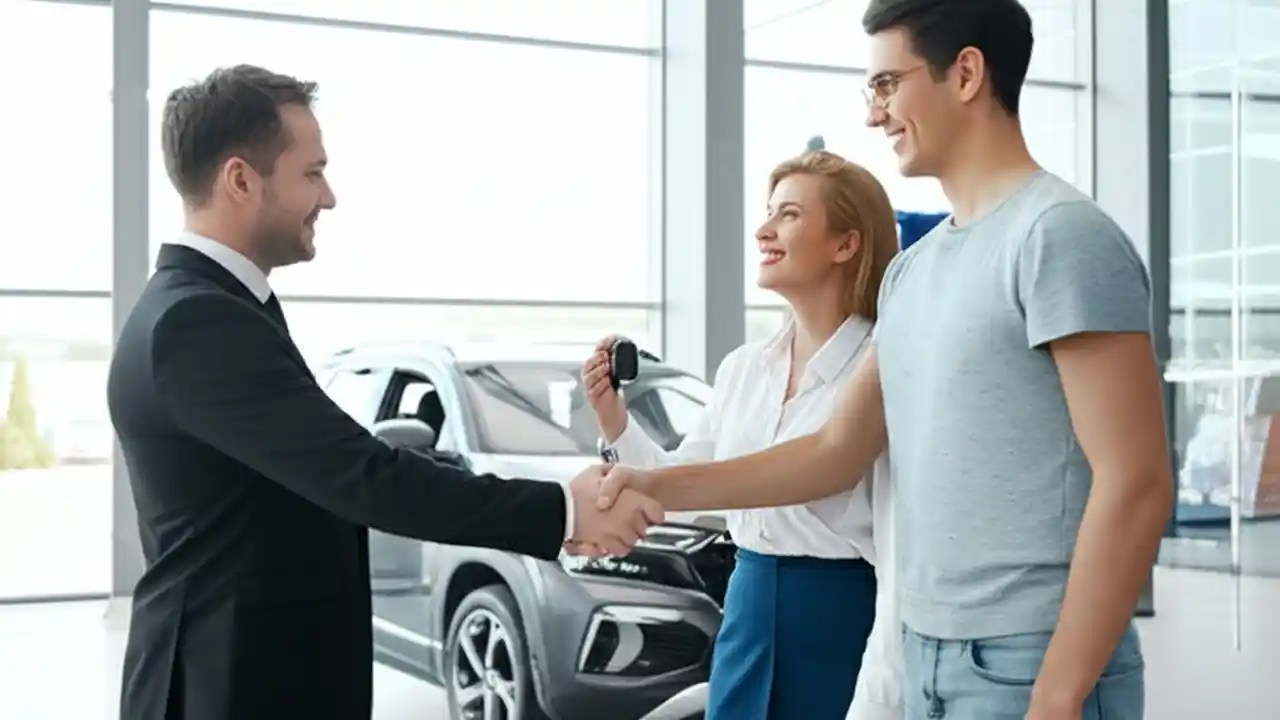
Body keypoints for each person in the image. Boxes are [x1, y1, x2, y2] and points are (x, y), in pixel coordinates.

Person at [584, 2, 1173, 719]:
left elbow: (1136, 481)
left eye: (888, 84)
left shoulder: (1060, 237)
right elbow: (836, 451)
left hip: (1030, 659)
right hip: (923, 650)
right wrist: (652, 482)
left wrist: (1058, 691)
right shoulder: (912, 274)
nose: (875, 115)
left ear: (965, 74)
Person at [106, 64, 661, 720]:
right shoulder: (198, 322)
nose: (330, 197)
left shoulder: (211, 306)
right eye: (312, 173)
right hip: (229, 687)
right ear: (240, 179)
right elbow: (362, 477)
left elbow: (312, 470)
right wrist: (563, 513)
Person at [581, 150, 902, 719]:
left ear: (846, 244)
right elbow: (683, 486)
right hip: (747, 608)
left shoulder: (884, 365)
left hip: (845, 617)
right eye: (769, 212)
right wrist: (615, 421)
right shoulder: (745, 368)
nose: (763, 229)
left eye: (790, 215)